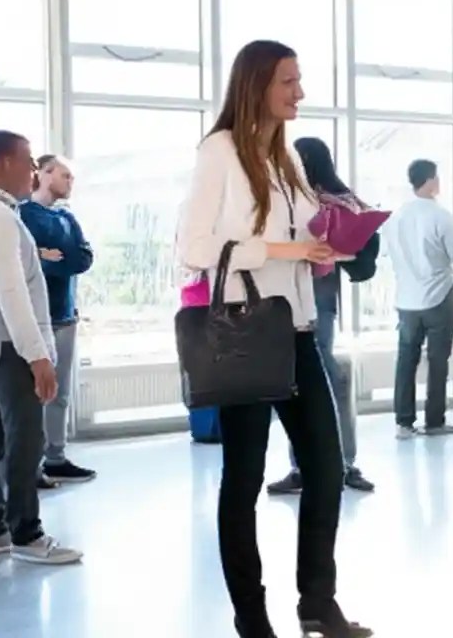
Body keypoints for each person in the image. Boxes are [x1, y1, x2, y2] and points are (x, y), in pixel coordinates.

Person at [177, 39, 370, 637]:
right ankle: (251, 617)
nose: (300, 93)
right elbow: (195, 248)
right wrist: (283, 249)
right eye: (289, 81)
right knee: (244, 479)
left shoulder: (286, 157)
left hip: (298, 331)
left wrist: (332, 239)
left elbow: (304, 230)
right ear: (257, 84)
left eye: (300, 79)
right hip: (245, 332)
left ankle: (318, 602)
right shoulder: (220, 151)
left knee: (326, 467)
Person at [0, 130, 81, 564]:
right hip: (11, 345)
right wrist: (38, 356)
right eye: (30, 161)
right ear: (6, 162)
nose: (34, 171)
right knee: (24, 439)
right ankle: (26, 534)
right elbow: (11, 290)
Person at [267, 136, 378, 495]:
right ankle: (332, 465)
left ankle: (324, 466)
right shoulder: (331, 198)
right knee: (312, 379)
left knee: (310, 379)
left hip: (308, 297)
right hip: (313, 296)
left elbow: (358, 254)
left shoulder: (311, 200)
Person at [384, 159, 453, 439]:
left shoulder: (396, 217)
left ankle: (403, 423)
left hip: (406, 301)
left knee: (406, 360)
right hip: (439, 297)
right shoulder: (440, 215)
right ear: (431, 180)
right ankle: (434, 422)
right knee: (438, 361)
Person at [19, 154, 97, 487]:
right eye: (65, 175)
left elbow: (83, 258)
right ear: (46, 173)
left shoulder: (67, 216)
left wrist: (51, 257)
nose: (70, 182)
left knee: (61, 393)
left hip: (66, 316)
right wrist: (45, 258)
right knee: (33, 394)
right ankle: (29, 464)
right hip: (36, 319)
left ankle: (56, 457)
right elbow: (27, 262)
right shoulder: (22, 213)